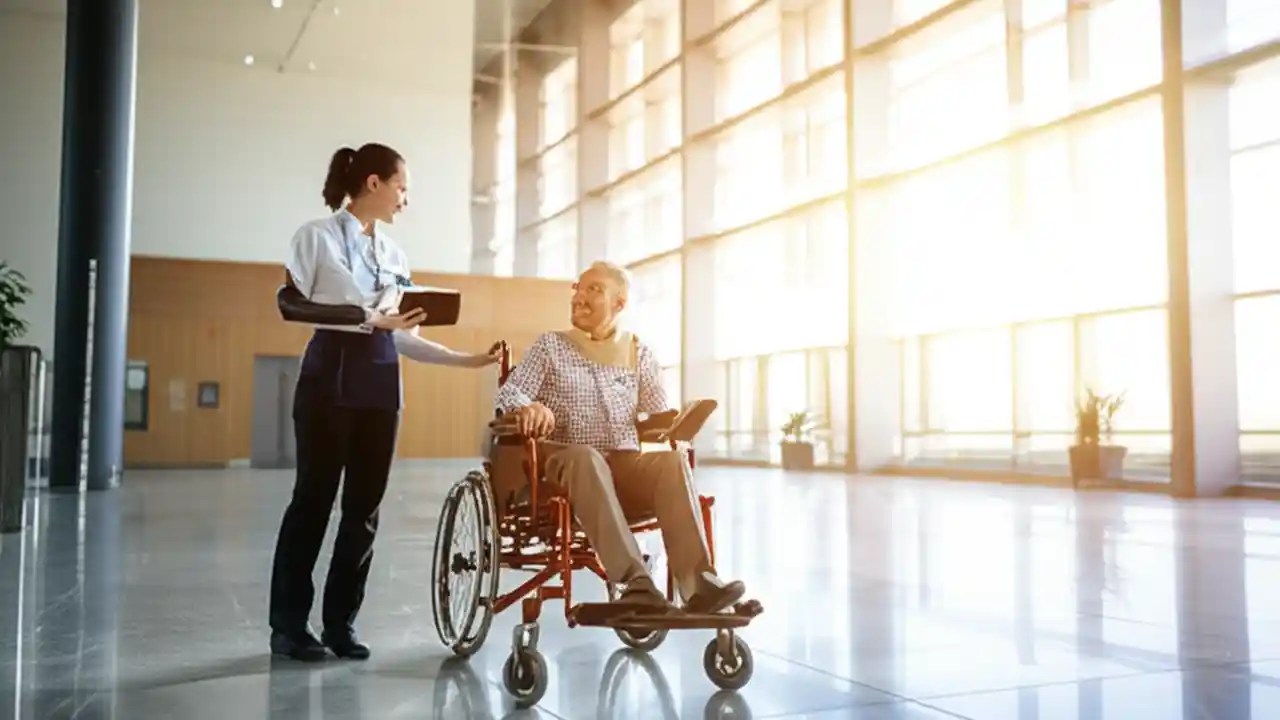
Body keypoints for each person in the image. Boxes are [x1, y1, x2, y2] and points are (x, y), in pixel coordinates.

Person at [269, 143, 499, 662]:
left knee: (364, 513)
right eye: (402, 187)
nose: (405, 199)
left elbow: (400, 335)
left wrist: (469, 361)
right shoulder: (316, 237)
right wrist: (370, 319)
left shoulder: (395, 256)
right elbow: (292, 304)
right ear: (373, 183)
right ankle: (287, 627)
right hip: (328, 380)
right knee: (312, 503)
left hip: (379, 388)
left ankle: (339, 625)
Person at [492, 261, 745, 614]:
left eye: (593, 289)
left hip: (622, 465)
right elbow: (509, 394)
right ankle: (634, 582)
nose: (579, 296)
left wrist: (676, 424)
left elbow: (656, 417)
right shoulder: (551, 346)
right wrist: (530, 408)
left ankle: (698, 583)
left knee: (671, 460)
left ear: (620, 303)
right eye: (577, 288)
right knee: (587, 457)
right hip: (563, 462)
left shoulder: (638, 353)